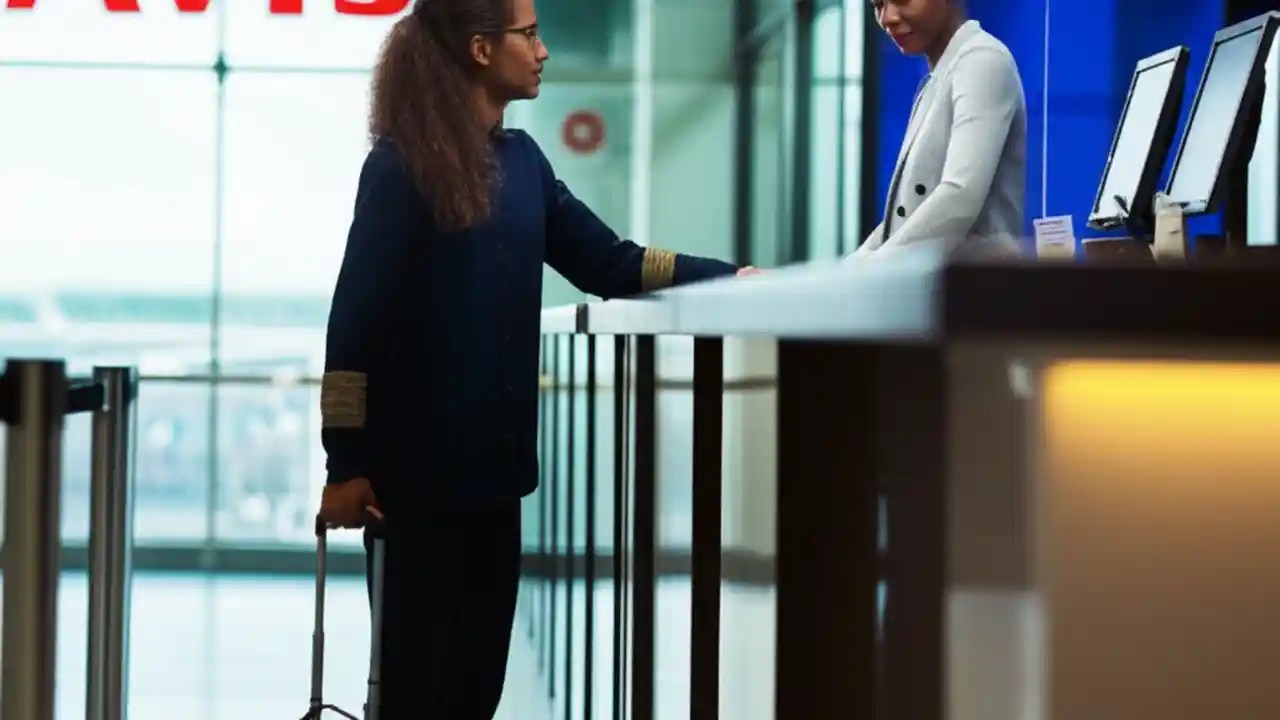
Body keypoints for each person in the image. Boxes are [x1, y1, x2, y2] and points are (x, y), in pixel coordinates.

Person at [315, 0, 747, 716]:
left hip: (498, 485)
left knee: (474, 695)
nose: (543, 51)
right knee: (411, 698)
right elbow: (352, 325)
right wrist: (344, 463)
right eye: (530, 34)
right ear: (482, 49)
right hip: (412, 494)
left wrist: (727, 276)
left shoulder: (523, 161)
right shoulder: (399, 168)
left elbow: (612, 262)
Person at [849, 0, 1026, 260]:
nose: (888, 18)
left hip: (975, 292)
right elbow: (904, 221)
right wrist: (840, 277)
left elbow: (959, 196)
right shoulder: (940, 76)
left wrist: (863, 274)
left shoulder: (983, 60)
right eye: (878, 5)